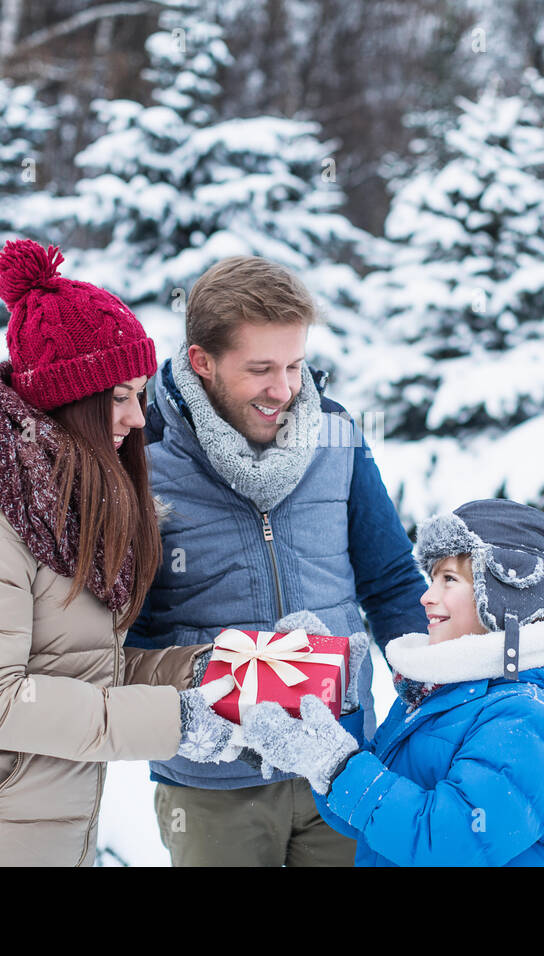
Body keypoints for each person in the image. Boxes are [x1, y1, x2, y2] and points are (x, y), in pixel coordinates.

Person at [0, 239, 240, 866]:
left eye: (139, 395)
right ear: (68, 399)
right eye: (119, 396)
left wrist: (208, 672)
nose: (139, 418)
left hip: (26, 835)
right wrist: (178, 722)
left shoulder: (71, 508)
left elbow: (79, 674)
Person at [127, 255, 431, 866]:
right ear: (202, 361)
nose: (284, 390)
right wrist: (186, 708)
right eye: (260, 369)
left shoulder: (335, 434)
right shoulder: (143, 454)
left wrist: (424, 678)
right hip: (212, 784)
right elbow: (121, 630)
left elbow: (391, 579)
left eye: (294, 365)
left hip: (342, 764)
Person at [241, 499, 544, 866]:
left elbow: (449, 843)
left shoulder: (525, 718)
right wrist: (338, 714)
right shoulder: (439, 694)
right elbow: (366, 821)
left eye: (448, 579)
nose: (426, 596)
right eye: (432, 578)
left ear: (504, 596)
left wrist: (341, 768)